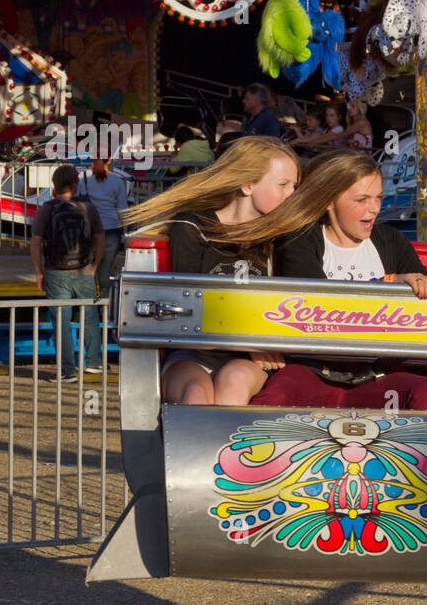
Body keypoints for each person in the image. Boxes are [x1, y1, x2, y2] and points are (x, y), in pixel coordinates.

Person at [216, 150, 427, 410]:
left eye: (378, 198)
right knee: (275, 396)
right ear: (329, 201)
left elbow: (426, 296)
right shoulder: (300, 240)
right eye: (361, 200)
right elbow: (317, 305)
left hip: (376, 375)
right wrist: (389, 283)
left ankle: (415, 456)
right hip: (312, 372)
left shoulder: (391, 241)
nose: (375, 209)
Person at [125, 137, 300, 405]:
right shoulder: (192, 228)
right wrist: (246, 343)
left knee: (233, 384)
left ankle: (231, 448)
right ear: (247, 185)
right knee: (195, 395)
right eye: (283, 185)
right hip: (195, 351)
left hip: (247, 360)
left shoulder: (282, 238)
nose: (292, 194)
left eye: (295, 186)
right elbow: (184, 313)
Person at [31, 163, 104, 382]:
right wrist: (95, 266)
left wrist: (39, 273)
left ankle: (67, 371)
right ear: (75, 184)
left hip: (56, 271)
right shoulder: (87, 207)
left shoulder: (47, 208)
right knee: (89, 317)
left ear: (54, 187)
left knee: (61, 322)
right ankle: (94, 363)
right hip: (84, 270)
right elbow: (100, 239)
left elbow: (35, 243)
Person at [78, 155, 132, 299]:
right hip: (111, 230)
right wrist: (126, 233)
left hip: (88, 230)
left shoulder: (82, 177)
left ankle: (87, 310)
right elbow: (122, 209)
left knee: (87, 271)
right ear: (109, 159)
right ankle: (106, 310)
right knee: (105, 272)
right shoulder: (117, 180)